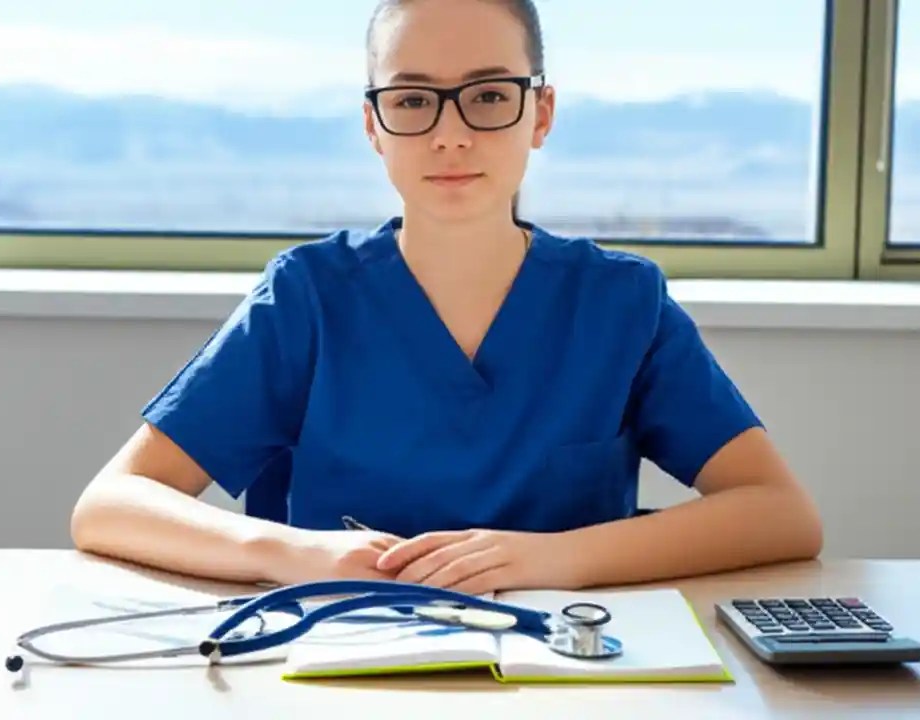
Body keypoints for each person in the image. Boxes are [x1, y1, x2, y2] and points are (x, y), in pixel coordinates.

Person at [70, 0, 823, 595]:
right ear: (374, 125)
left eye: (489, 95)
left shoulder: (620, 303)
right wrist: (296, 552)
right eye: (413, 100)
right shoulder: (307, 299)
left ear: (542, 113)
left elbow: (780, 514)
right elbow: (111, 504)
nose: (451, 135)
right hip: (335, 676)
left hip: (570, 680)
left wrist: (548, 559)